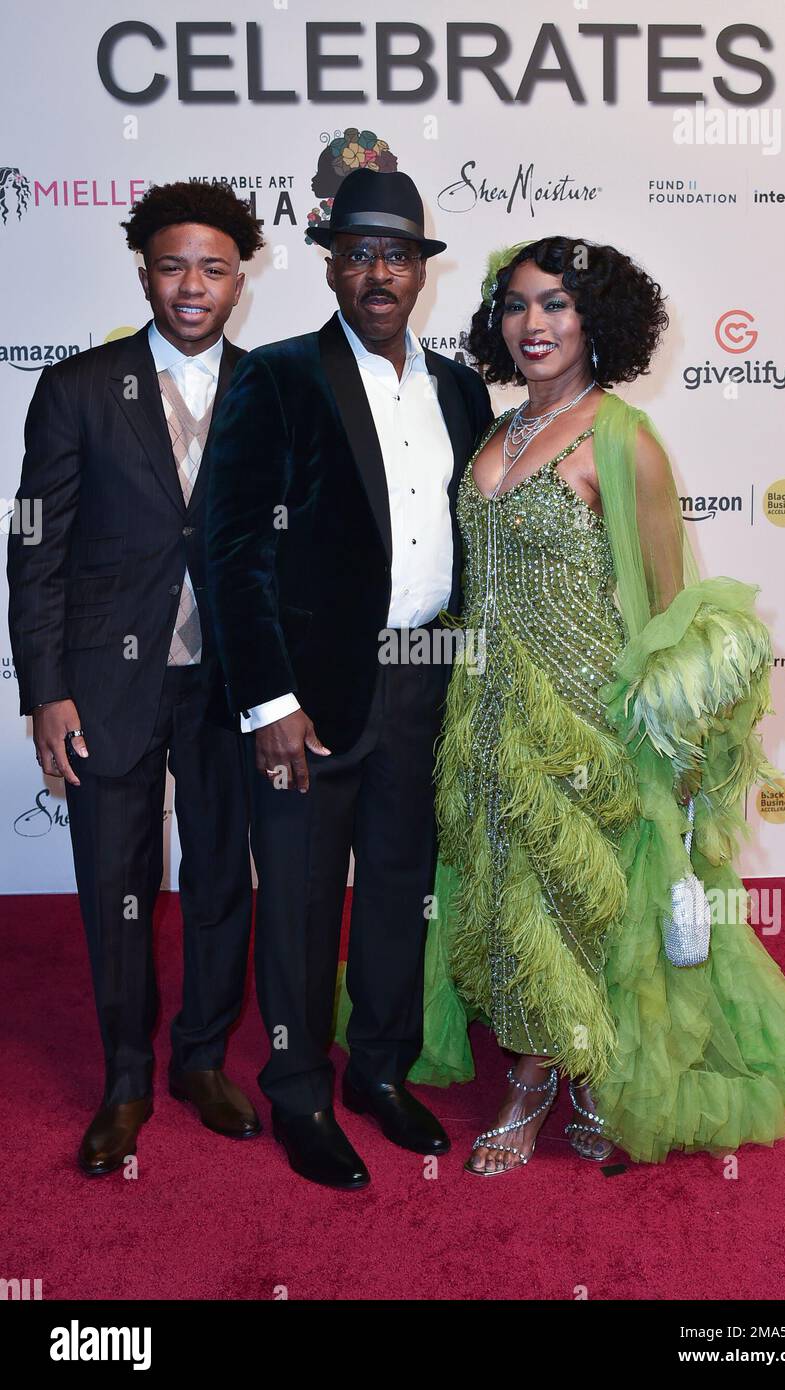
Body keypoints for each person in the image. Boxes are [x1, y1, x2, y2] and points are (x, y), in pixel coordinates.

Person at [421, 235, 785, 1174]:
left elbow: (663, 606)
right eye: (517, 305)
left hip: (585, 707)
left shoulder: (622, 440)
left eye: (557, 306)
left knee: (570, 892)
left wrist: (681, 735)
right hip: (485, 699)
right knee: (502, 883)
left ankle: (537, 1078)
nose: (532, 325)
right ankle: (563, 1049)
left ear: (595, 323)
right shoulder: (495, 429)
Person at [205, 168, 493, 1191]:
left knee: (398, 894)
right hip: (308, 694)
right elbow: (230, 547)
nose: (379, 271)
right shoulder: (278, 378)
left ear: (421, 270)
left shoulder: (460, 387)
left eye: (398, 253)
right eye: (359, 252)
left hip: (422, 676)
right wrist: (268, 701)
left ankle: (379, 1068)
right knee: (294, 896)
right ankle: (295, 1090)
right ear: (329, 265)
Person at [7, 181, 265, 1176]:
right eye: (172, 264)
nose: (191, 285)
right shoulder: (78, 388)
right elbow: (36, 549)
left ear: (241, 274)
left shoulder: (271, 387)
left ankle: (200, 1059)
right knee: (113, 886)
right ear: (144, 272)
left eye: (212, 265)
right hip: (106, 686)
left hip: (229, 685)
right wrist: (47, 689)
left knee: (215, 880)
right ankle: (124, 1078)